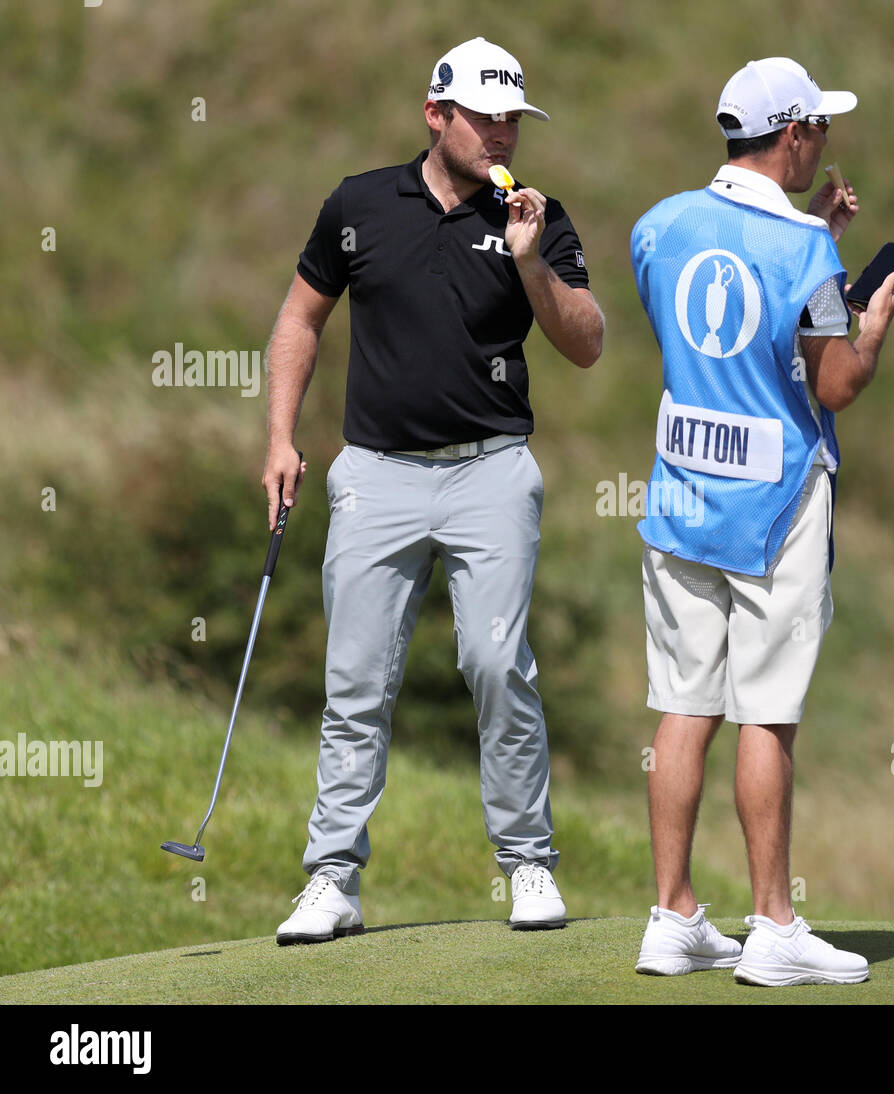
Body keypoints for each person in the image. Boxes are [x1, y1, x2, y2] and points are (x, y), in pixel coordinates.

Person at [263, 36, 604, 944]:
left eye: (512, 120)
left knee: (496, 666)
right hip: (375, 474)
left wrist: (531, 261)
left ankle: (527, 863)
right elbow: (300, 317)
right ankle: (332, 879)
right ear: (435, 114)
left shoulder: (538, 214)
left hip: (491, 469)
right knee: (356, 682)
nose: (501, 134)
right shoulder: (359, 203)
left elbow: (587, 342)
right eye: (484, 117)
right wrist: (280, 439)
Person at [629, 57, 894, 985]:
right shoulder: (807, 256)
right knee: (766, 715)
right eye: (819, 129)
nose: (825, 142)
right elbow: (834, 382)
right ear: (791, 135)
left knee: (682, 708)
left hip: (679, 495)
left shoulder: (658, 225)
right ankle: (773, 927)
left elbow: (708, 329)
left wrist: (813, 240)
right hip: (775, 503)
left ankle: (671, 916)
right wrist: (869, 324)